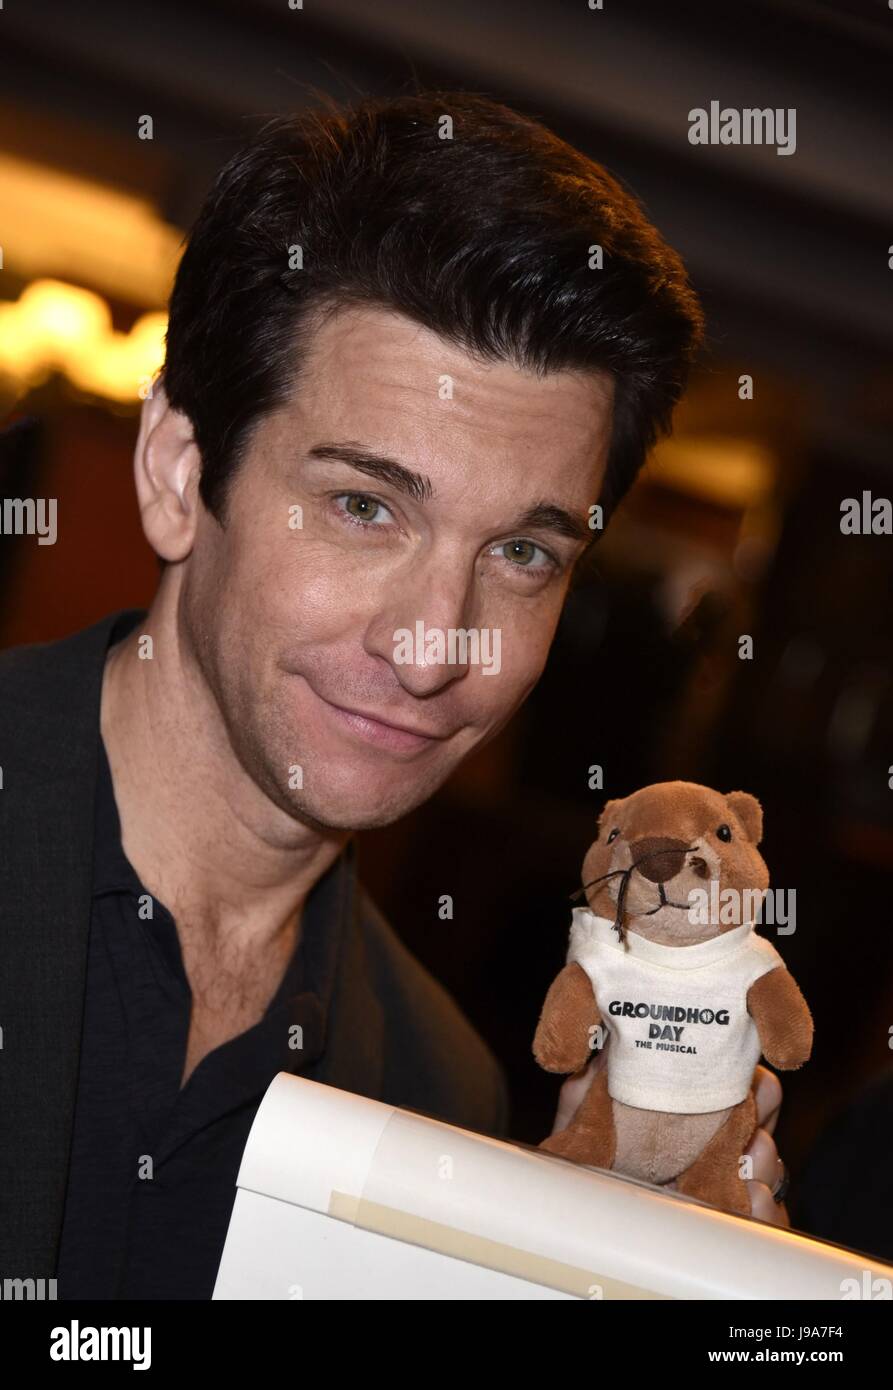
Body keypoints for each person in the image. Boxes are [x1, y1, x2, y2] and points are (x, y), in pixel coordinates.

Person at [0, 89, 787, 1301]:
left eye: (521, 553)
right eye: (364, 506)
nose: (432, 650)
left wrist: (579, 1266)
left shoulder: (438, 1095)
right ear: (175, 472)